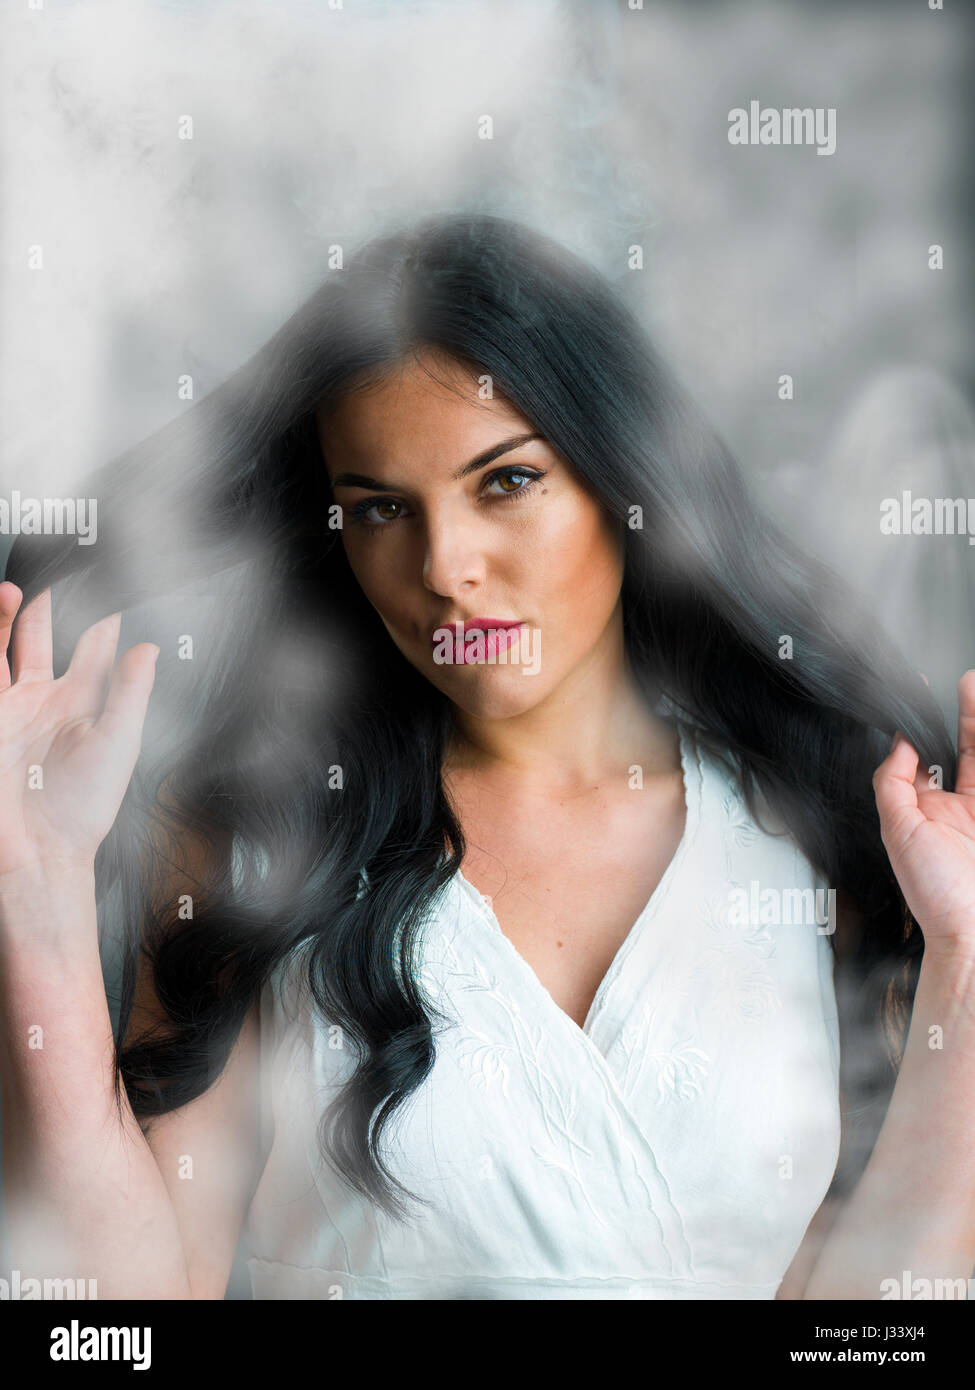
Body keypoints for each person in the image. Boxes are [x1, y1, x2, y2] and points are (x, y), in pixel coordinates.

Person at [1, 213, 973, 1301]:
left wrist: (967, 957)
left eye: (505, 481)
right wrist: (33, 888)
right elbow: (119, 1316)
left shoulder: (820, 834)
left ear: (624, 477)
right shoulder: (259, 833)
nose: (446, 567)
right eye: (380, 509)